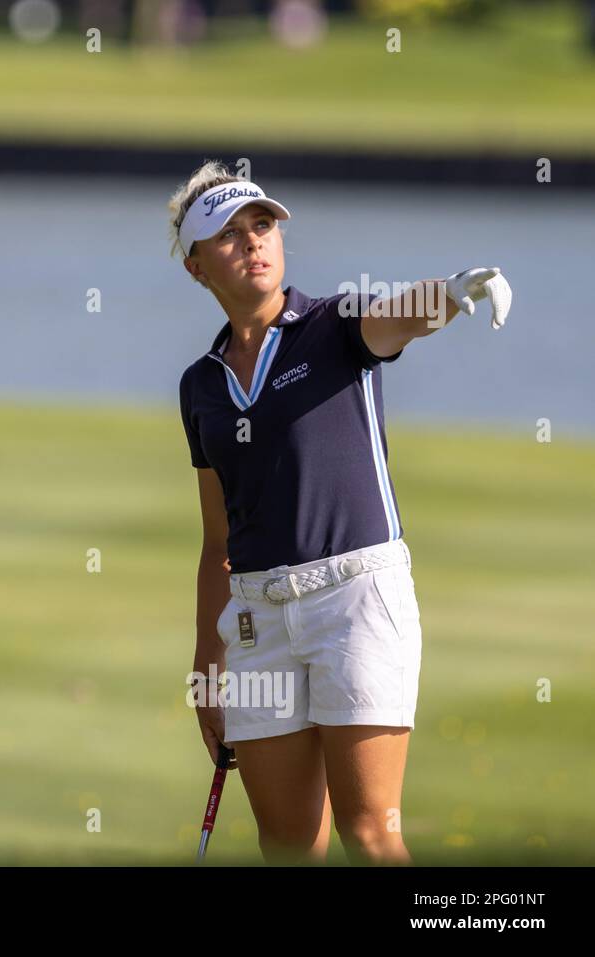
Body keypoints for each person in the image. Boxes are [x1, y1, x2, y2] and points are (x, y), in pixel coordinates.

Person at [172, 161, 509, 864]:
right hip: (256, 621)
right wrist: (209, 660)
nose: (254, 242)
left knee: (371, 831)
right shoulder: (200, 385)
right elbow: (217, 541)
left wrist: (449, 292)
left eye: (261, 225)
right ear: (198, 267)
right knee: (290, 843)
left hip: (355, 599)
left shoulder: (333, 325)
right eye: (229, 236)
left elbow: (400, 315)